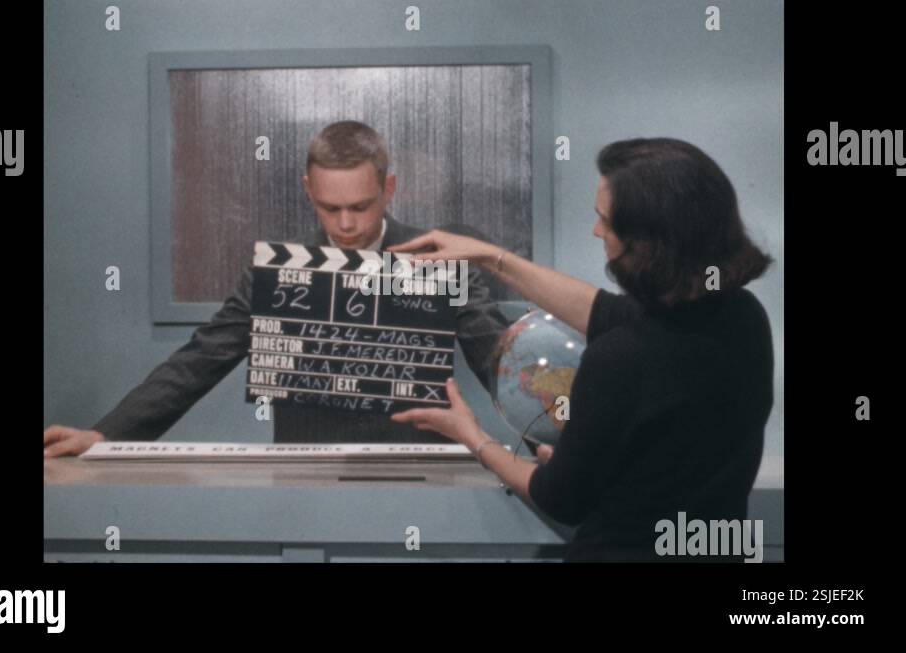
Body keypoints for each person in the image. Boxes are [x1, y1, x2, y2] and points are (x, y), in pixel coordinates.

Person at [389, 137, 775, 562]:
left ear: (647, 243)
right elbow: (604, 311)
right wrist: (490, 257)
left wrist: (473, 437)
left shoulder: (621, 358)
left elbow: (559, 500)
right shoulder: (742, 317)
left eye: (605, 222)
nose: (596, 231)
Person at [44, 121, 510, 457]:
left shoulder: (440, 260)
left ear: (389, 189)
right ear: (308, 190)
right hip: (307, 469)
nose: (345, 224)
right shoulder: (276, 271)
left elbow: (498, 358)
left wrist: (556, 444)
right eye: (329, 207)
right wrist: (106, 437)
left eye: (360, 206)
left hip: (419, 469)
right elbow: (199, 360)